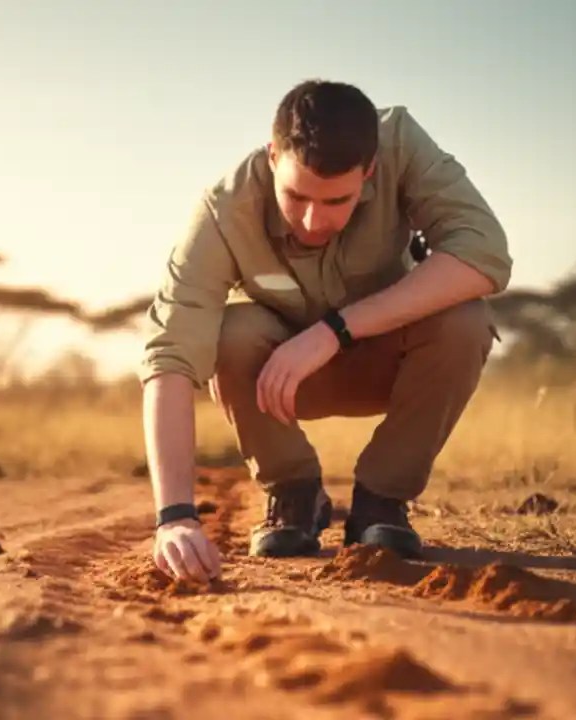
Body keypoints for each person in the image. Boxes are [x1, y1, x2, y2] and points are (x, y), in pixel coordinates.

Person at [138, 79, 511, 583]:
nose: (313, 220)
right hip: (281, 381)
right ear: (272, 157)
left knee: (466, 317)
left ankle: (382, 501)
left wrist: (334, 330)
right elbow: (169, 358)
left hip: (392, 362)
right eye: (295, 196)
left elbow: (484, 254)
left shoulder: (399, 141)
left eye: (337, 200)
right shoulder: (223, 209)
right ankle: (293, 494)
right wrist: (175, 518)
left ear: (371, 170)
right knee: (231, 331)